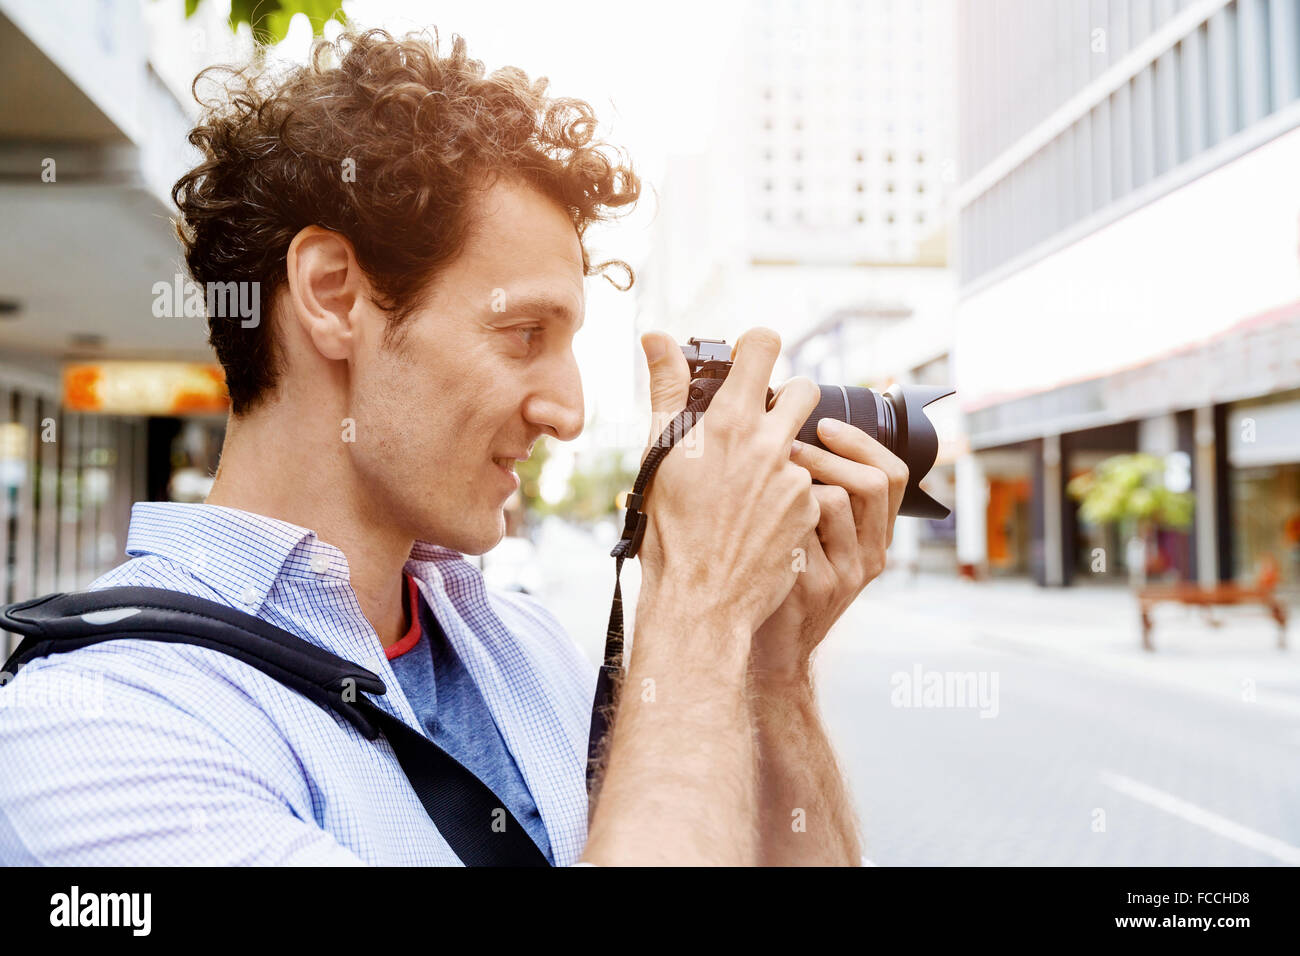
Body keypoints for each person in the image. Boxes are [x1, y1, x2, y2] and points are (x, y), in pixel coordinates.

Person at [0, 28, 907, 866]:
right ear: (332, 294)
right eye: (523, 334)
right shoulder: (105, 717)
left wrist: (769, 673)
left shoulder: (523, 644)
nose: (569, 412)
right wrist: (700, 604)